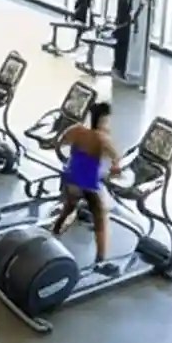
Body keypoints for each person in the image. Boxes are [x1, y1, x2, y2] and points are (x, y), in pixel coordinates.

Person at [50, 102, 122, 277]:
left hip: (70, 179)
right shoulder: (103, 139)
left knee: (68, 207)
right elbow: (116, 165)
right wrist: (112, 171)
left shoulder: (77, 130)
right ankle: (101, 260)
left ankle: (54, 233)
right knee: (101, 219)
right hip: (88, 185)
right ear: (105, 120)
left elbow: (59, 143)